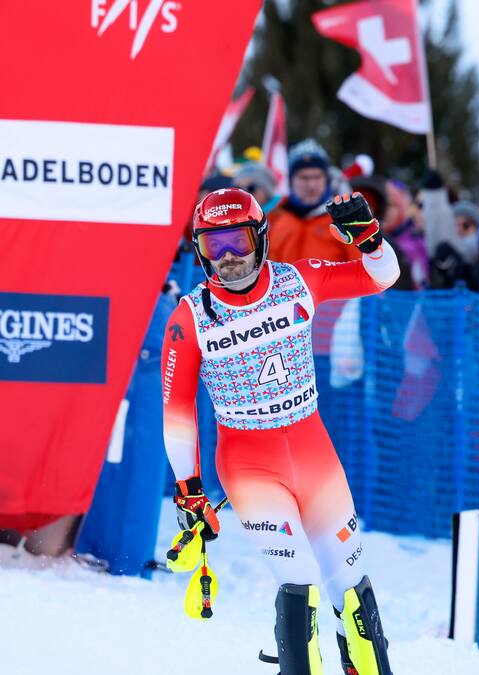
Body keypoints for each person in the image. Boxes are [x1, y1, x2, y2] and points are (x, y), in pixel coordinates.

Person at [161, 188, 398, 674]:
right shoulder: (189, 317)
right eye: (213, 246)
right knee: (300, 584)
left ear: (261, 239)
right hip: (250, 467)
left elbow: (383, 276)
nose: (227, 258)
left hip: (314, 455)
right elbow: (177, 410)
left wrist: (368, 241)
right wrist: (189, 491)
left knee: (351, 587)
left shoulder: (298, 280)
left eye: (238, 242)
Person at [268, 140, 356, 264]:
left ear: (327, 179)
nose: (311, 185)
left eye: (317, 177)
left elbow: (363, 272)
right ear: (290, 180)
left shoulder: (345, 221)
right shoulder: (273, 219)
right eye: (304, 177)